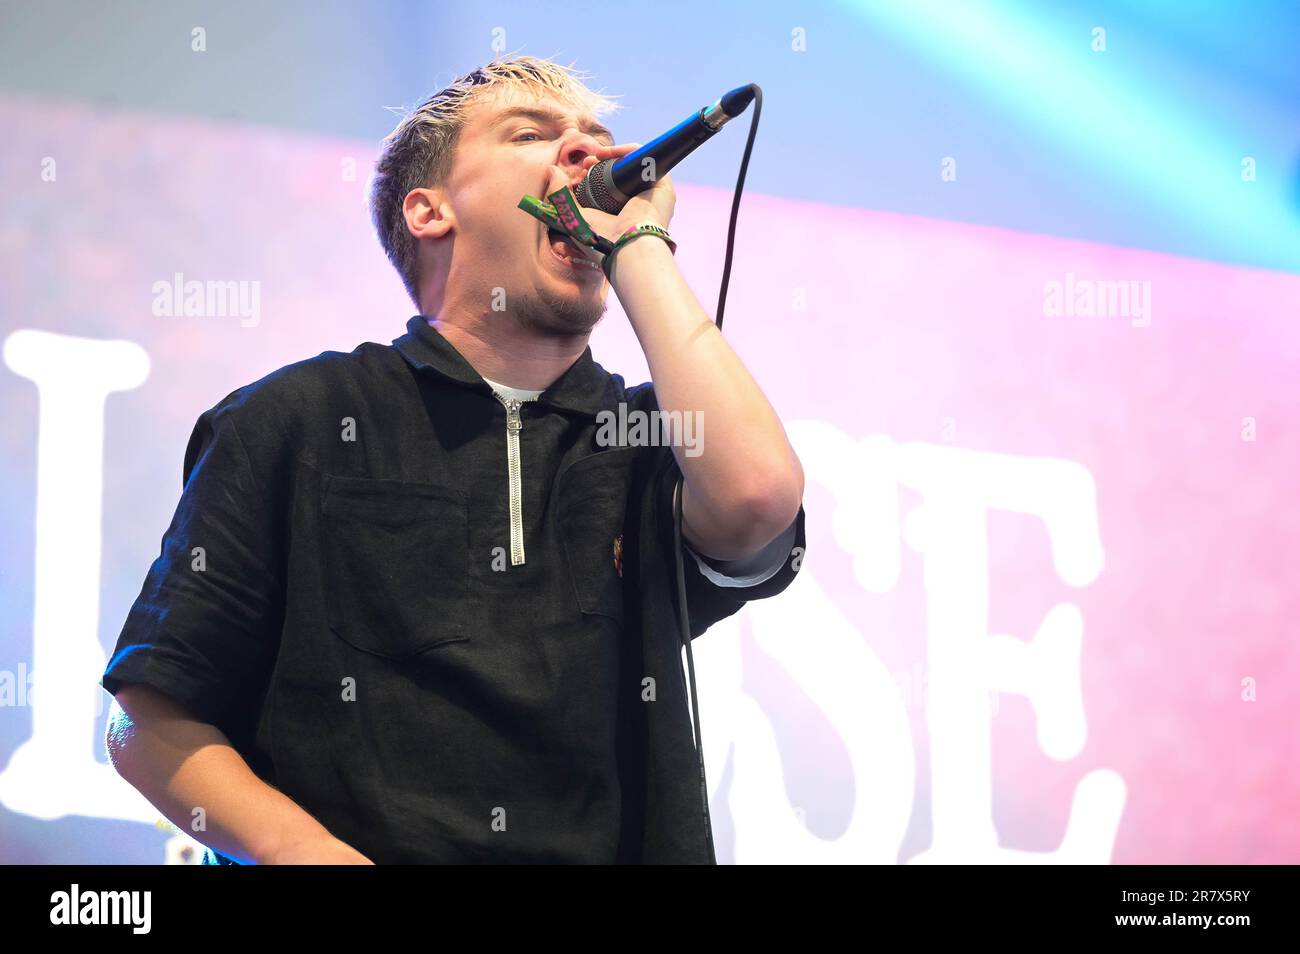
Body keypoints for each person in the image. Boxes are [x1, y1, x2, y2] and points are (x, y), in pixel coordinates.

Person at [101, 55, 807, 865]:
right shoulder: (297, 416)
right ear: (430, 211)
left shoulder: (649, 440)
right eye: (532, 134)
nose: (586, 155)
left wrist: (639, 244)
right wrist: (306, 854)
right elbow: (146, 721)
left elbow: (757, 497)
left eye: (597, 141)